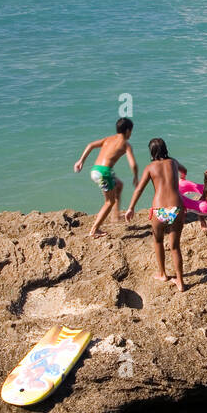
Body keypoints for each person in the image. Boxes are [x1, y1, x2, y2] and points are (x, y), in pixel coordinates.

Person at [124, 138, 186, 291]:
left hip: (159, 210)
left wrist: (131, 208)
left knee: (158, 241)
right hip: (177, 208)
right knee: (175, 246)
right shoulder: (173, 162)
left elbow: (139, 189)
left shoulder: (150, 168)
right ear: (165, 148)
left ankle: (163, 274)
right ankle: (180, 282)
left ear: (151, 151)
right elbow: (184, 171)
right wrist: (181, 179)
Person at [73, 117, 137, 238]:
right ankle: (94, 230)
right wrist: (135, 176)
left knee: (119, 185)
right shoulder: (126, 145)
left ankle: (115, 215)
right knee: (109, 202)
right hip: (105, 173)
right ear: (128, 131)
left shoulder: (109, 139)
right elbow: (133, 164)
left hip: (95, 169)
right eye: (131, 131)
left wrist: (81, 161)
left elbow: (91, 145)